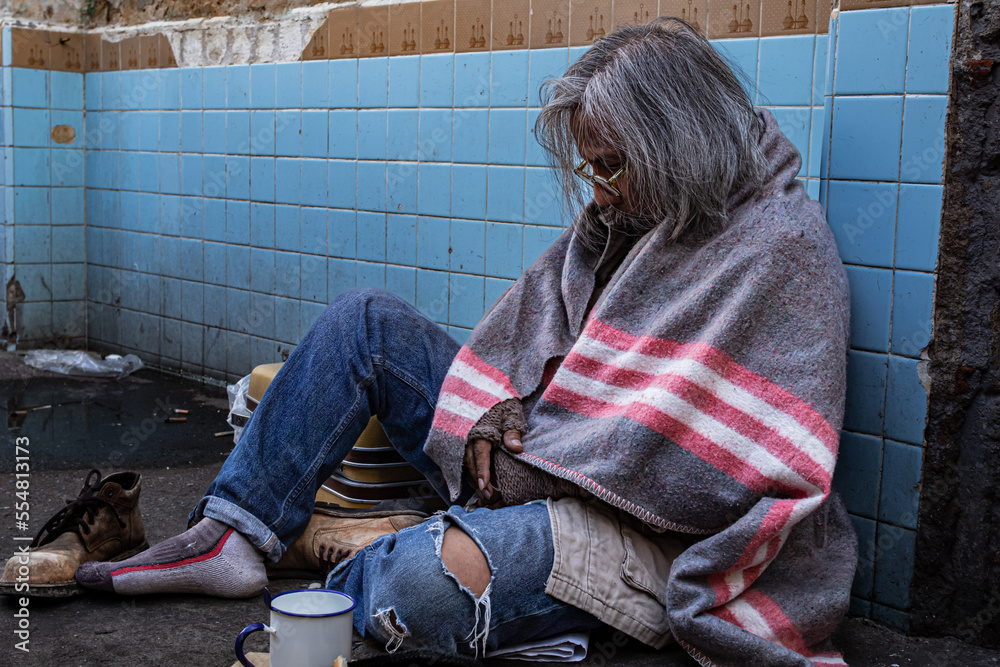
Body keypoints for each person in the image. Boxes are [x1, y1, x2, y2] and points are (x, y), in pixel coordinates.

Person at [12, 18, 857, 665]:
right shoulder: (632, 218)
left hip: (650, 528)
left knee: (424, 584)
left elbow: (708, 468)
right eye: (590, 170)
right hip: (547, 456)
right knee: (363, 320)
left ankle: (375, 552)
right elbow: (549, 360)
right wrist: (496, 412)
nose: (596, 197)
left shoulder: (780, 247)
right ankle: (235, 533)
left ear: (678, 147)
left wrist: (536, 458)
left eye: (611, 168)